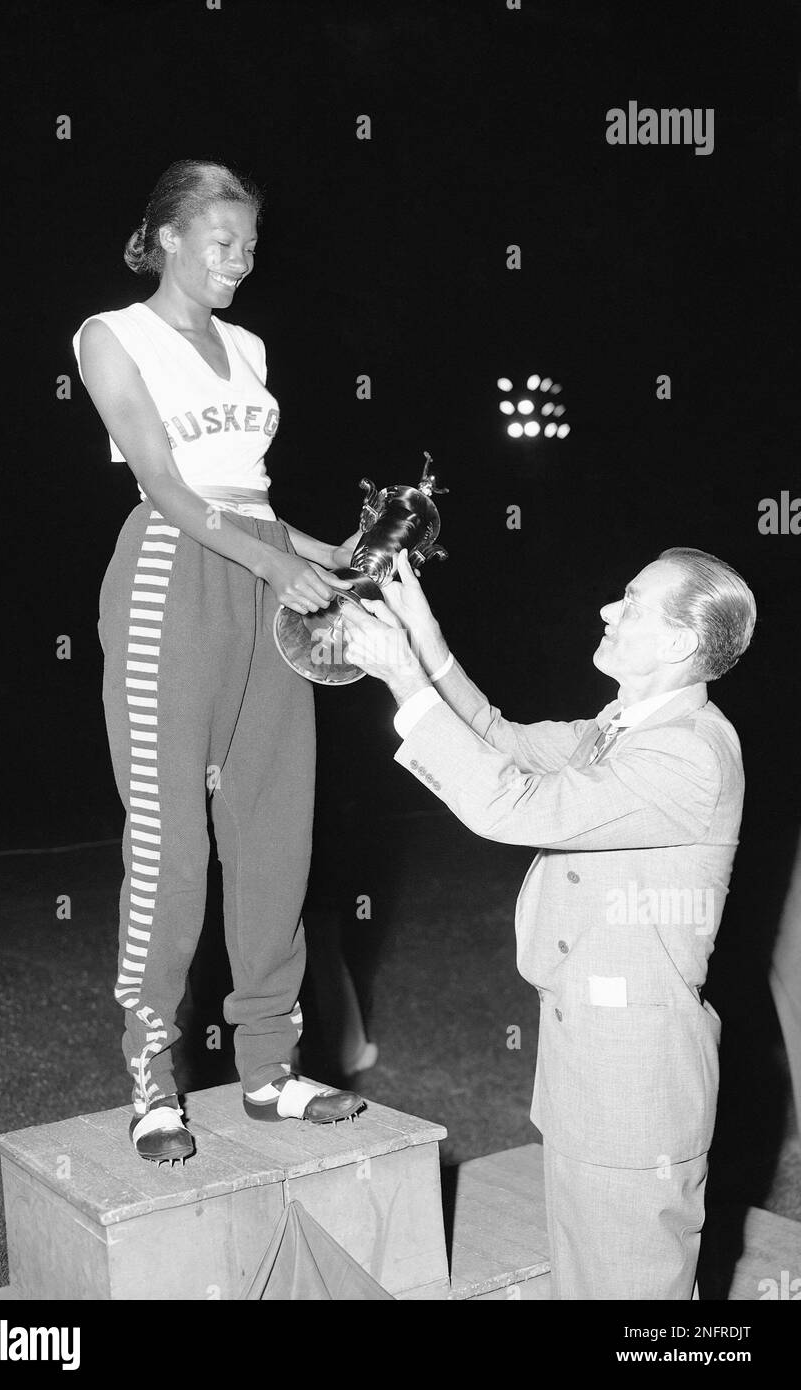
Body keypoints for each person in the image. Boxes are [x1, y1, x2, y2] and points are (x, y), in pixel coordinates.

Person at [341, 546, 756, 1299]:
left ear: (679, 644)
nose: (607, 610)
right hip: (589, 1066)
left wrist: (403, 678)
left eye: (631, 603)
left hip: (634, 1085)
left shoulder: (689, 755)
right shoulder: (623, 729)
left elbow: (514, 804)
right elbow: (498, 739)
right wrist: (423, 636)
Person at [72, 158, 365, 1166]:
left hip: (257, 570)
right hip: (171, 578)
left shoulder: (247, 345)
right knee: (171, 845)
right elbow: (166, 485)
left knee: (275, 828)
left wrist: (323, 551)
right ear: (166, 237)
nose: (242, 258)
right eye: (222, 240)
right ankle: (154, 1084)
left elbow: (249, 493)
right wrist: (271, 563)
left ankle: (270, 1068)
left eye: (249, 243)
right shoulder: (112, 335)